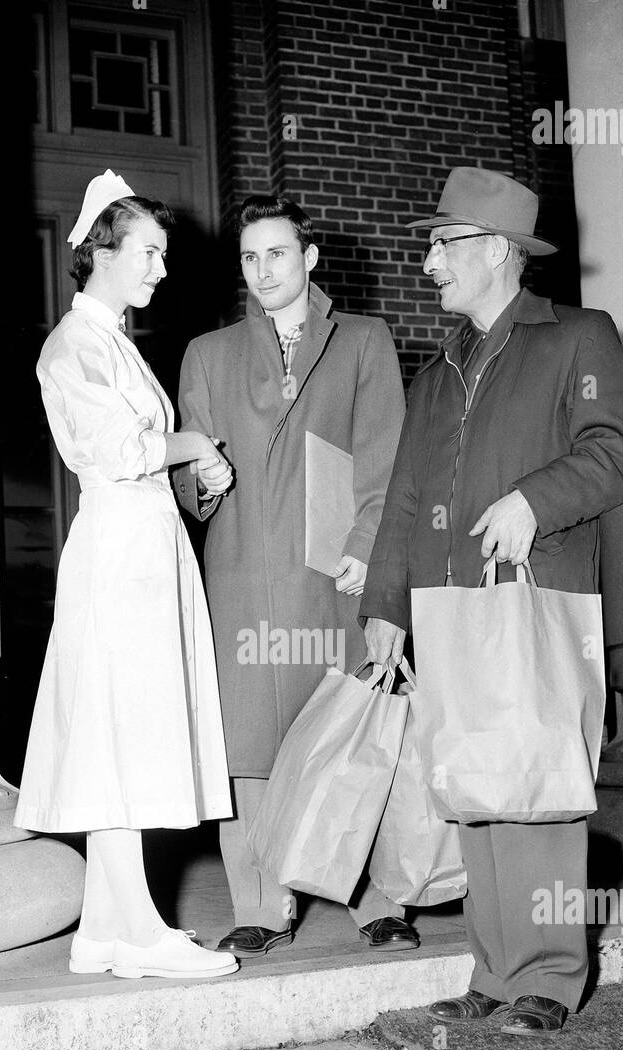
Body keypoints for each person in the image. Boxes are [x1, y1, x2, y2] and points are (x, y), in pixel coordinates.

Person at [361, 166, 623, 1033]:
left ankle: (550, 979)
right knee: (475, 788)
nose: (427, 264)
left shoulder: (578, 337)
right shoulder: (436, 371)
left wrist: (534, 498)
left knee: (537, 786)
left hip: (536, 598)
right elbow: (406, 498)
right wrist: (384, 607)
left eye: (440, 245)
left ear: (495, 251)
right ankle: (491, 970)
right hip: (449, 603)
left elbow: (621, 452)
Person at [173, 195, 416, 956]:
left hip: (333, 574)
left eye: (276, 253)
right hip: (244, 573)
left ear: (309, 258)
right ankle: (261, 903)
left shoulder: (364, 340)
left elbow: (388, 455)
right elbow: (188, 486)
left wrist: (370, 541)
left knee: (354, 731)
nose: (262, 270)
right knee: (250, 746)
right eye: (249, 257)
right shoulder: (207, 354)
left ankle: (378, 901)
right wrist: (203, 480)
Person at [14, 170, 239, 981]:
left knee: (131, 730)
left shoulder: (111, 342)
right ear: (101, 250)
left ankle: (106, 931)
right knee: (120, 731)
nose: (161, 269)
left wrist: (193, 459)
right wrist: (198, 443)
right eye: (149, 252)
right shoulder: (73, 345)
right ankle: (140, 930)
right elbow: (120, 452)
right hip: (117, 553)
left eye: (163, 254)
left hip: (146, 546)